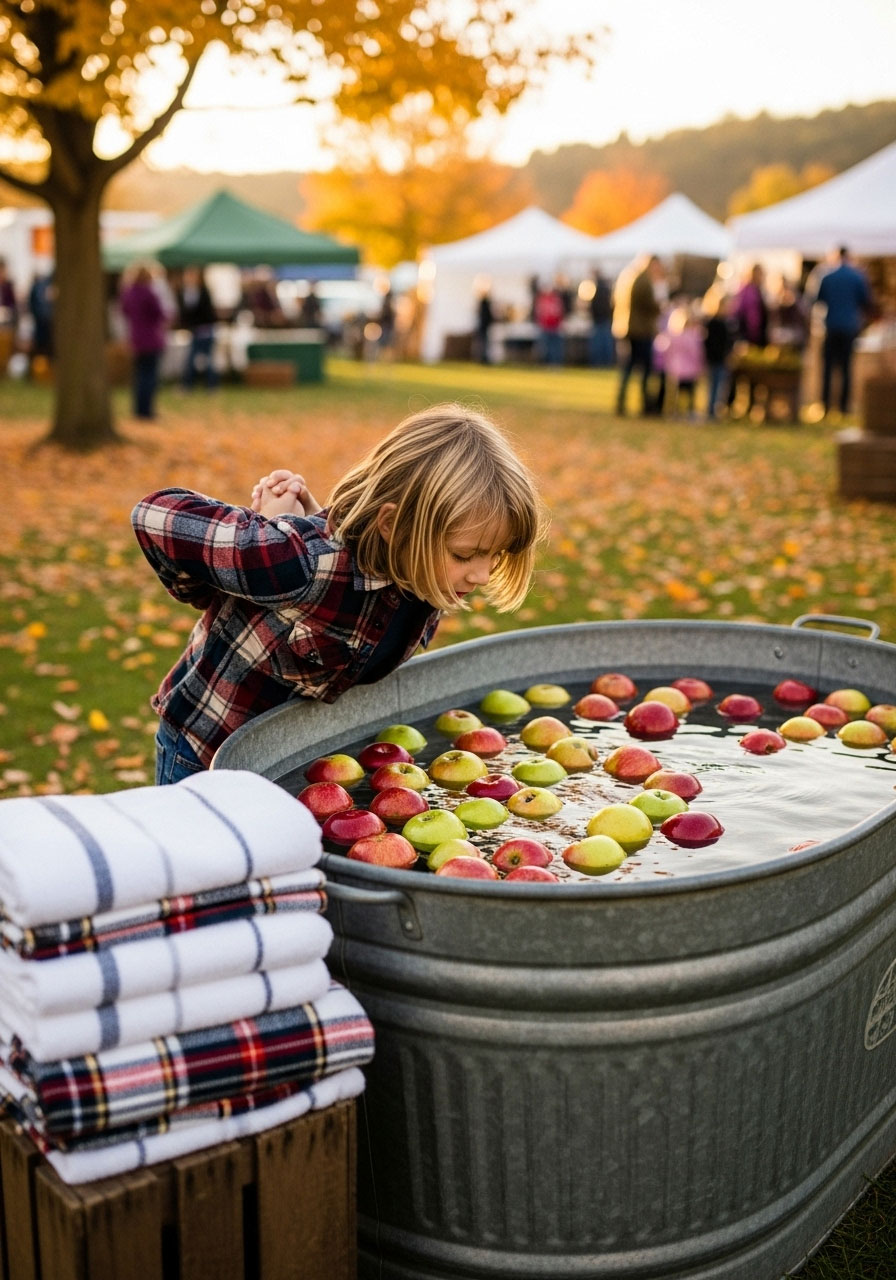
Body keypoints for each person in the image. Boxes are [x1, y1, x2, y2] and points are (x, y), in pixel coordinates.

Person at [131, 405, 545, 784]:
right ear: (393, 526)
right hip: (205, 755)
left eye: (494, 555)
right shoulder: (300, 564)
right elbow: (154, 515)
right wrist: (224, 581)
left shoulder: (421, 580)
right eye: (466, 554)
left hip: (292, 762)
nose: (483, 574)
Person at [811, 246, 873, 417]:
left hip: (831, 326)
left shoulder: (827, 276)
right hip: (849, 327)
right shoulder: (857, 277)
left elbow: (816, 300)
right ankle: (843, 407)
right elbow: (867, 302)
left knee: (828, 368)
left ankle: (825, 404)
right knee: (846, 368)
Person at [613, 254, 665, 415]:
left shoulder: (627, 276)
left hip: (627, 328)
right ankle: (645, 404)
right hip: (639, 330)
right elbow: (649, 305)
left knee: (628, 367)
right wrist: (660, 306)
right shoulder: (643, 280)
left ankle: (622, 402)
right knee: (644, 368)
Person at [119, 264, 168, 420]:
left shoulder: (128, 293)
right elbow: (159, 313)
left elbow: (124, 311)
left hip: (135, 339)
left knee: (139, 376)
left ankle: (138, 409)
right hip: (151, 339)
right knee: (149, 376)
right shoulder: (149, 293)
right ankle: (147, 411)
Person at [175, 265, 218, 391]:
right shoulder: (184, 293)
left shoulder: (203, 292)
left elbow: (208, 312)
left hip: (205, 330)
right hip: (194, 330)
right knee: (191, 359)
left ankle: (211, 385)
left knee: (208, 359)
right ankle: (188, 385)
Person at [702, 290, 736, 420]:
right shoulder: (713, 323)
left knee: (721, 386)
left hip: (723, 359)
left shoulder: (728, 323)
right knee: (713, 385)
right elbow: (709, 343)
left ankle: (716, 409)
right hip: (715, 359)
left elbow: (729, 342)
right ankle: (711, 410)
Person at [732, 264, 769, 348]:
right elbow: (753, 318)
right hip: (751, 336)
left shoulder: (748, 289)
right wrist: (755, 336)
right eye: (760, 274)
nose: (762, 277)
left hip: (750, 334)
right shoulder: (750, 292)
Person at [533, 280, 566, 366]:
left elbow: (559, 312)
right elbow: (539, 313)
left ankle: (555, 363)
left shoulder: (555, 299)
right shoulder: (542, 299)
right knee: (546, 348)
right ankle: (547, 363)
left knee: (555, 348)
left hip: (554, 327)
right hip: (546, 327)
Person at [587, 270, 615, 368]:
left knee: (598, 344)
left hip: (599, 319)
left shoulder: (595, 288)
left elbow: (592, 305)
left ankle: (598, 362)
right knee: (605, 343)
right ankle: (607, 362)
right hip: (605, 318)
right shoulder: (606, 288)